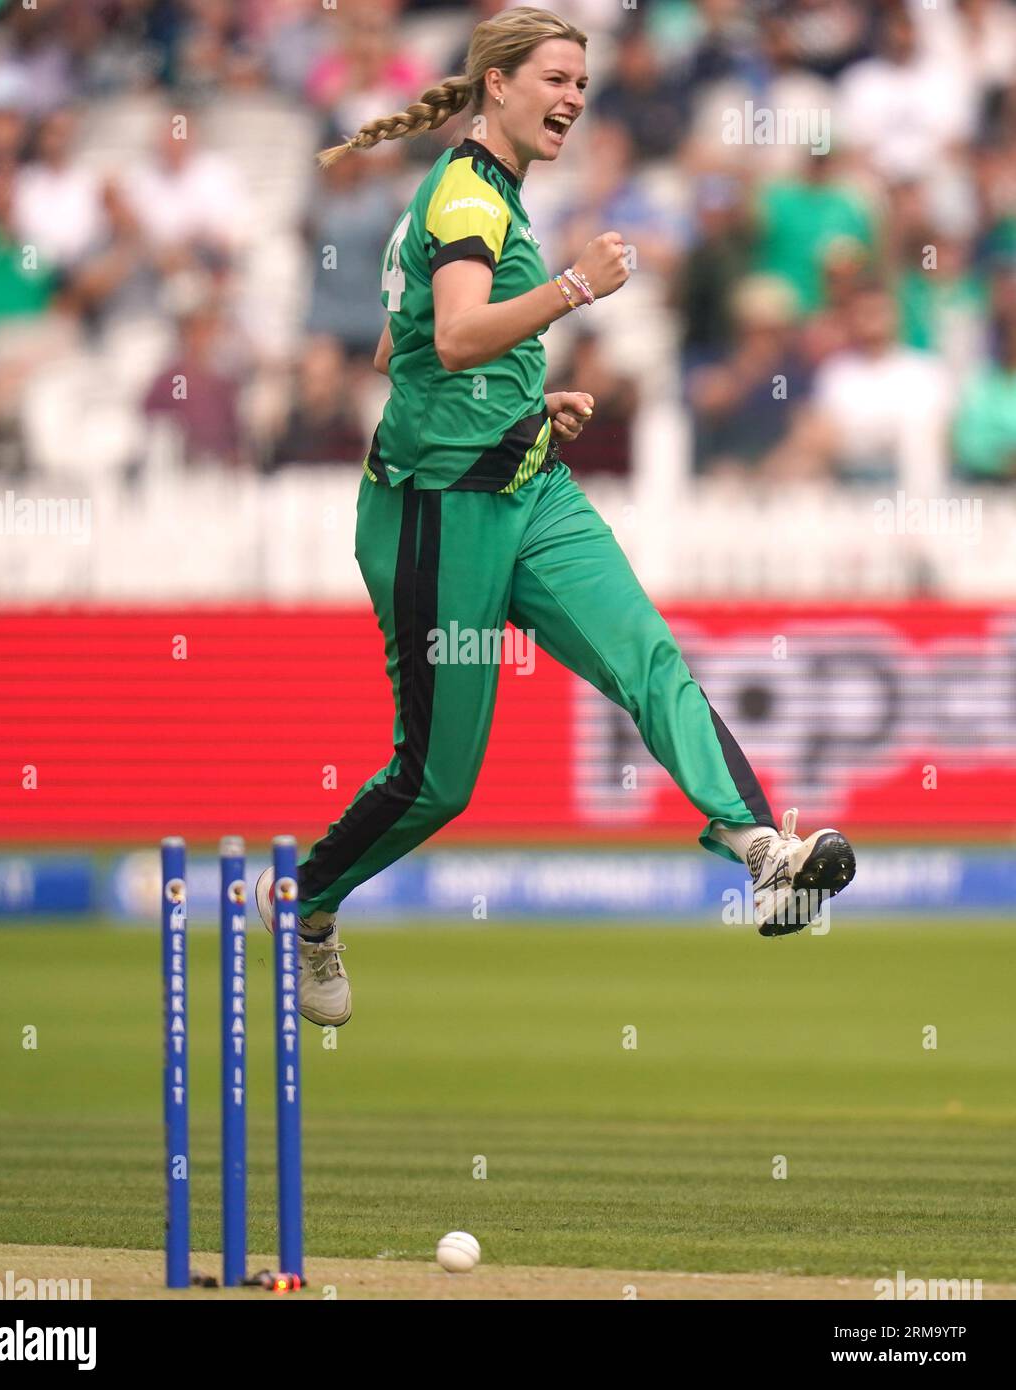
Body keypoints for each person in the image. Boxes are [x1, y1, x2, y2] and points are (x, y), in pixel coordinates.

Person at [255, 8, 856, 1029]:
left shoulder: (487, 195)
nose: (575, 97)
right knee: (441, 782)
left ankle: (762, 851)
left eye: (583, 81)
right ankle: (306, 908)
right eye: (556, 77)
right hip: (437, 516)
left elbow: (396, 352)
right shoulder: (466, 197)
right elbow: (449, 338)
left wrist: (528, 406)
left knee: (649, 657)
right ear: (495, 83)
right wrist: (577, 288)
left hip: (527, 485)